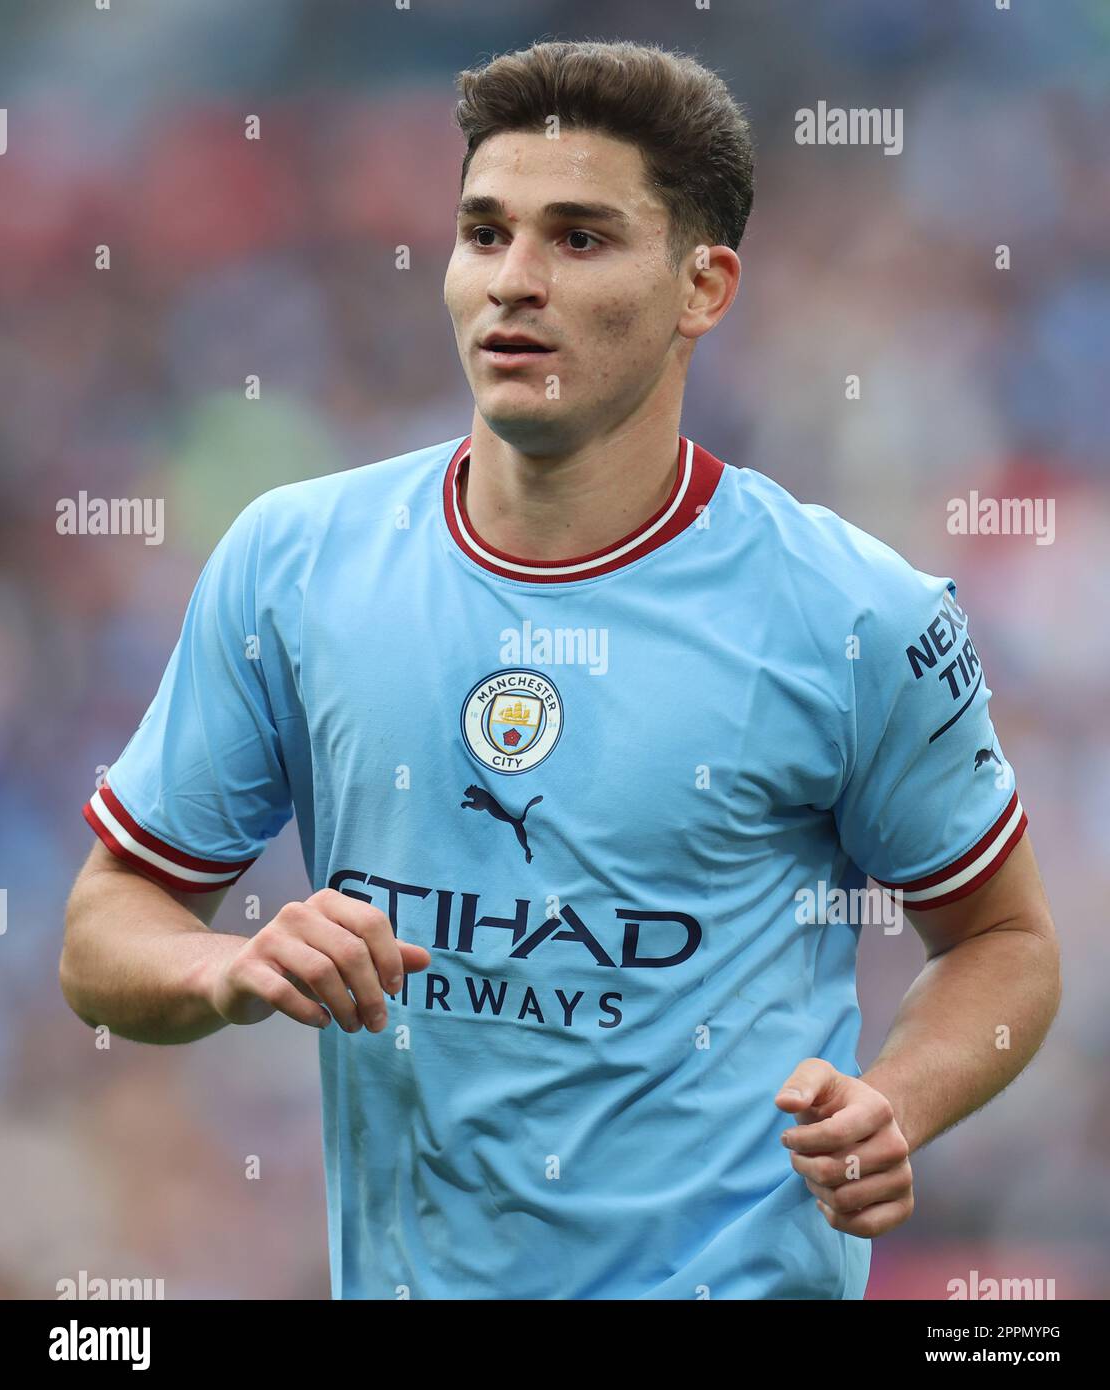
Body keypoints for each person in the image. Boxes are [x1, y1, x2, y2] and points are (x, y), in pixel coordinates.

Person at [61, 39, 1060, 1300]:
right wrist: (225, 968)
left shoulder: (855, 612)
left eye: (579, 239)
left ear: (703, 286)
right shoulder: (293, 561)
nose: (512, 283)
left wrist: (893, 1103)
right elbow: (106, 927)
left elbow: (1005, 937)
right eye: (485, 233)